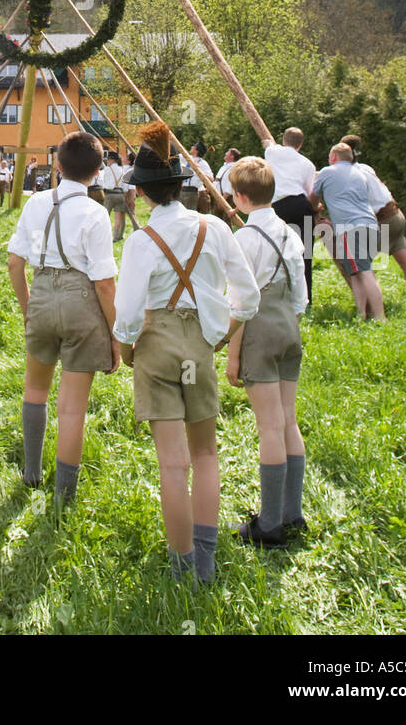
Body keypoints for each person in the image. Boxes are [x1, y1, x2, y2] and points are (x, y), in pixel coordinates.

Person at [113, 123, 260, 584]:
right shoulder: (214, 228)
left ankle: (181, 567)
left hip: (156, 350)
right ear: (182, 186)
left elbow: (127, 314)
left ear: (141, 192)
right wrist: (221, 335)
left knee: (172, 463)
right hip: (198, 352)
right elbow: (248, 297)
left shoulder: (140, 242)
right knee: (206, 455)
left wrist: (127, 350)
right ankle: (206, 565)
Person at [7, 131, 120, 507]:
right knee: (71, 408)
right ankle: (63, 497)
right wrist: (116, 336)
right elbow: (104, 283)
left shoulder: (36, 203)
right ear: (98, 171)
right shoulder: (95, 212)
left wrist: (28, 309)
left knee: (34, 390)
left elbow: (14, 262)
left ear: (57, 165)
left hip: (41, 294)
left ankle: (31, 472)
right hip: (80, 302)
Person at [225, 156, 308, 548]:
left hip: (258, 331)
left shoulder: (243, 239)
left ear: (240, 198)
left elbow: (240, 303)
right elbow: (299, 297)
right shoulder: (291, 234)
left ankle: (270, 525)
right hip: (289, 329)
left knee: (269, 428)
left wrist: (232, 355)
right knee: (289, 421)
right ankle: (293, 513)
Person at [309, 143, 386, 321]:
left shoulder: (327, 172)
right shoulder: (360, 174)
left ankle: (380, 317)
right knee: (356, 272)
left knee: (365, 272)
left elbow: (313, 198)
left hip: (350, 228)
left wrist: (316, 209)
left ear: (333, 157)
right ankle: (361, 314)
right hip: (371, 226)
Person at [341, 135, 406, 300]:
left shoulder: (351, 176)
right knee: (405, 260)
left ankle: (374, 302)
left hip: (382, 220)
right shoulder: (366, 168)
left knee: (364, 265)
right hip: (396, 215)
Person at [261, 127, 317, 304]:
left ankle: (275, 293)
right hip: (300, 205)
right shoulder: (308, 164)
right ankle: (305, 298)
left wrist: (269, 143)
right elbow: (310, 193)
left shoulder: (272, 152)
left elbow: (268, 144)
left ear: (284, 140)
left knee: (275, 251)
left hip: (278, 207)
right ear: (300, 144)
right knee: (305, 252)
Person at [101, 149, 127, 242]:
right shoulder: (122, 169)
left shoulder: (107, 169)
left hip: (109, 194)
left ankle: (103, 236)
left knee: (105, 216)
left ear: (112, 160)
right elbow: (125, 185)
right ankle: (117, 236)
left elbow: (102, 182)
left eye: (108, 159)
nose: (107, 161)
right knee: (118, 217)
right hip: (120, 194)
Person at [190, 141, 215, 215]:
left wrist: (199, 171)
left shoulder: (202, 163)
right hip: (186, 192)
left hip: (199, 193)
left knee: (205, 216)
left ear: (197, 150)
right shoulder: (188, 159)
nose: (191, 147)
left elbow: (211, 179)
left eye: (193, 146)